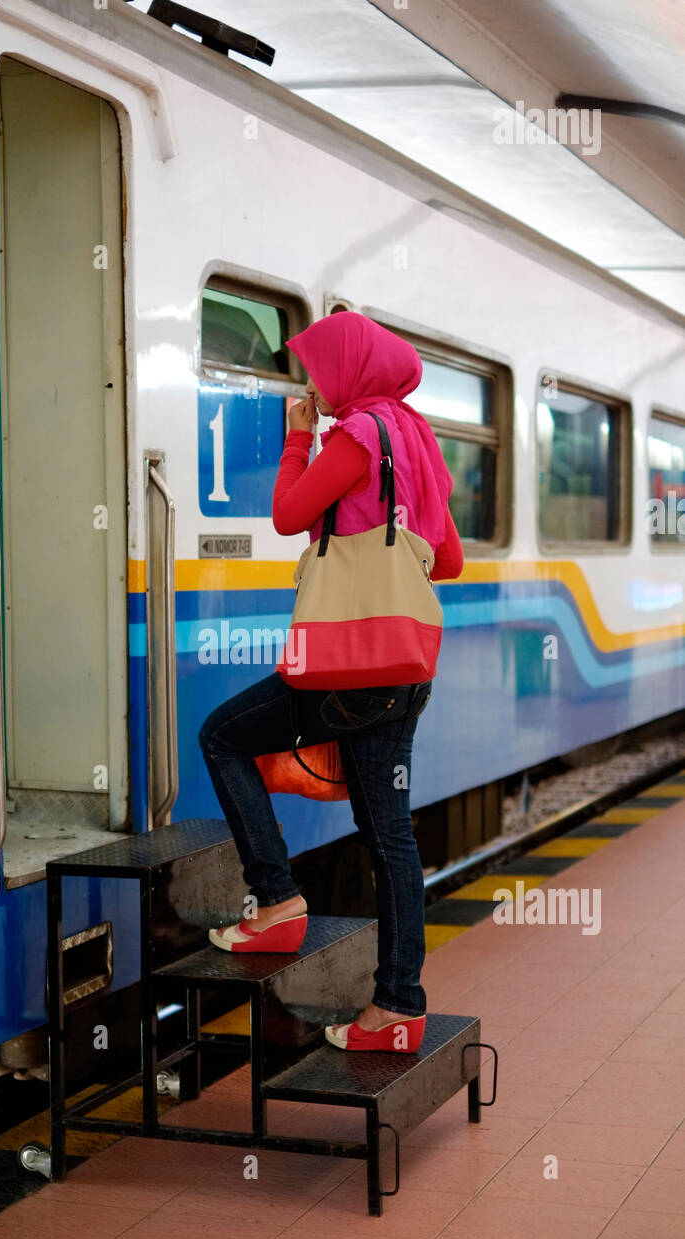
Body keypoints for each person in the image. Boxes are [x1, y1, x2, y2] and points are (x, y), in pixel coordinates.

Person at [198, 312, 463, 1052]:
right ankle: (398, 1009)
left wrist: (296, 437)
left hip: (347, 672)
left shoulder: (357, 436)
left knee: (221, 736)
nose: (313, 385)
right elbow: (448, 563)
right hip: (406, 668)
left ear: (349, 370)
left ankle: (278, 900)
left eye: (318, 370)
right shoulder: (417, 439)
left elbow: (288, 514)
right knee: (392, 841)